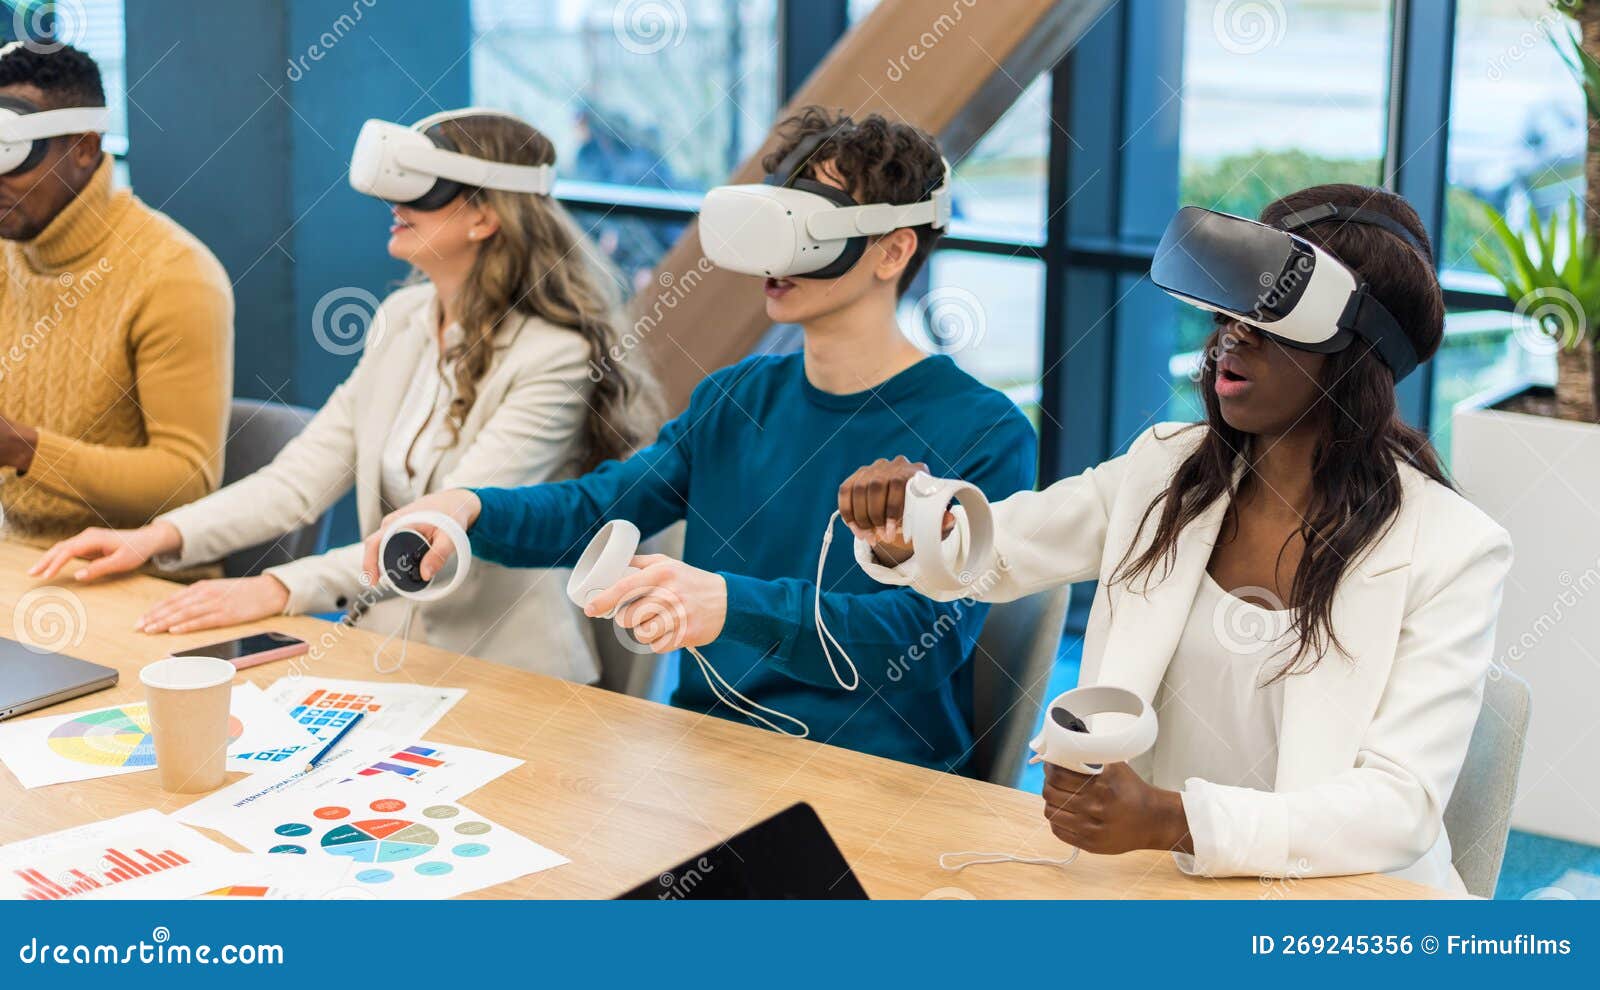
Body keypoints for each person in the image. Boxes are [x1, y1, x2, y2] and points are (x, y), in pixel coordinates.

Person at [837, 184, 1512, 894]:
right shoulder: (1164, 466)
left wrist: (1174, 820)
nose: (1233, 335)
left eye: (1273, 316)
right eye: (1231, 306)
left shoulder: (1455, 548)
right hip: (1155, 885)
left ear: (1358, 353)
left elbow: (1397, 809)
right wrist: (911, 525)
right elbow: (996, 552)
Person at [363, 107, 1037, 771]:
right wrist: (470, 508)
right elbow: (596, 508)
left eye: (808, 226)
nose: (776, 255)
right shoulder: (736, 398)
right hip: (704, 758)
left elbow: (923, 641)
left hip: (872, 777)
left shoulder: (984, 431)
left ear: (892, 250)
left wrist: (730, 606)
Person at [32, 109, 652, 683]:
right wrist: (157, 536)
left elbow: (437, 536)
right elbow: (297, 480)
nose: (395, 205)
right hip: (385, 656)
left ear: (484, 218)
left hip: (508, 672)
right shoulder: (401, 319)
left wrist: (277, 588)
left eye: (425, 191)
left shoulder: (555, 357)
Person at [0, 43, 232, 552]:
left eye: (11, 154)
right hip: (17, 561)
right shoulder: (6, 254)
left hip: (137, 574)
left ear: (84, 148)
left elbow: (188, 480)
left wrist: (24, 449)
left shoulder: (173, 275)